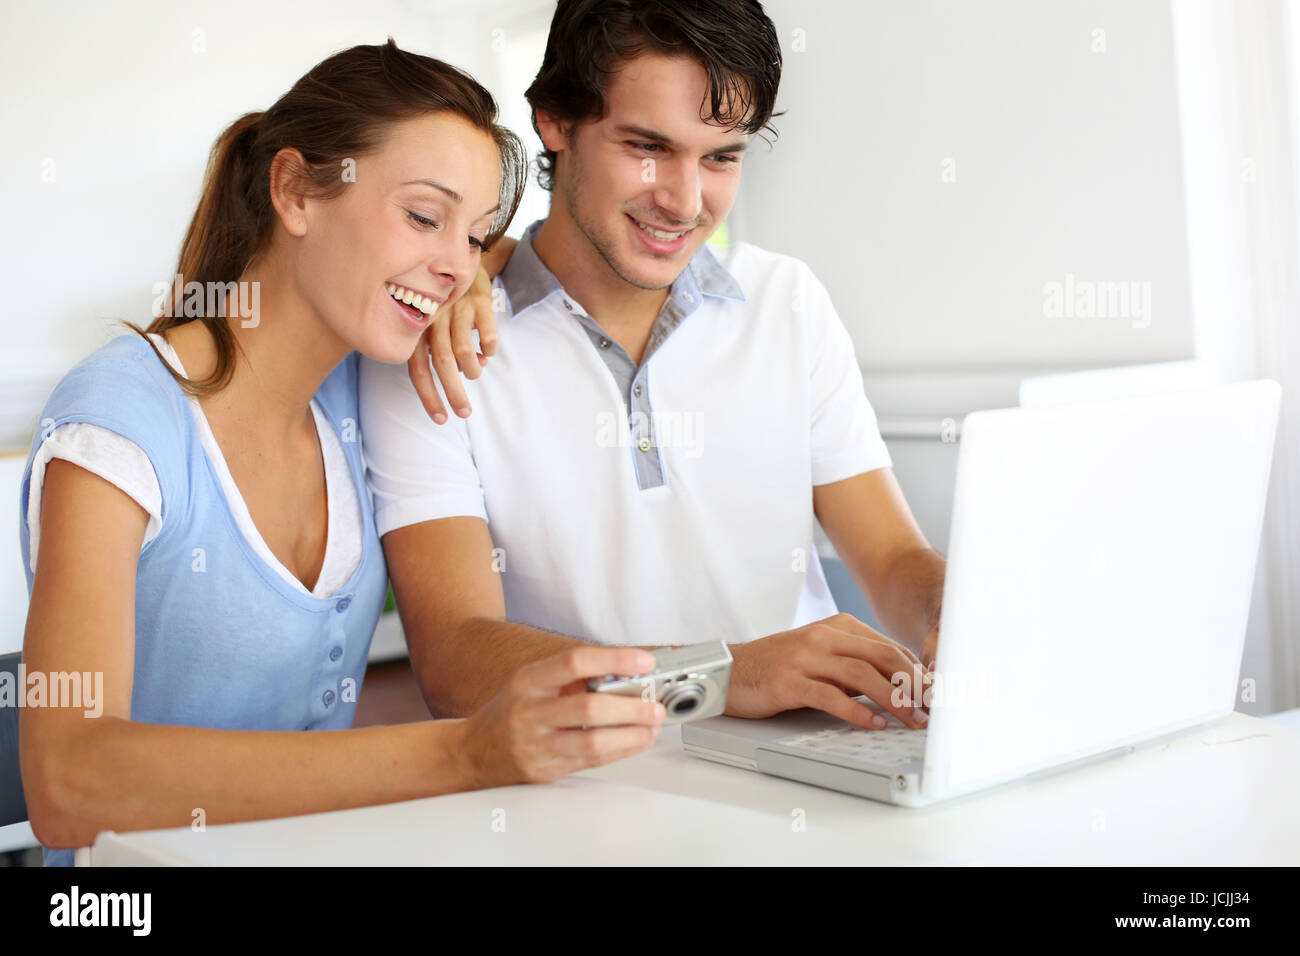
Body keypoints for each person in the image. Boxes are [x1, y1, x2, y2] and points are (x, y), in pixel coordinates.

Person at [18, 38, 664, 868]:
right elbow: (66, 782)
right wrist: (465, 752)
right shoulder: (117, 423)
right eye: (424, 216)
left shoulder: (355, 389)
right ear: (293, 189)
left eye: (473, 235)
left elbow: (528, 253)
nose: (452, 262)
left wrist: (464, 262)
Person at [361, 1, 946, 732]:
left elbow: (892, 558)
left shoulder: (786, 300)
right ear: (555, 121)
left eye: (722, 156)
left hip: (810, 765)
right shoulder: (439, 345)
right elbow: (455, 659)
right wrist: (720, 675)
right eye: (648, 148)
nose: (686, 201)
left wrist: (950, 611)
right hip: (584, 798)